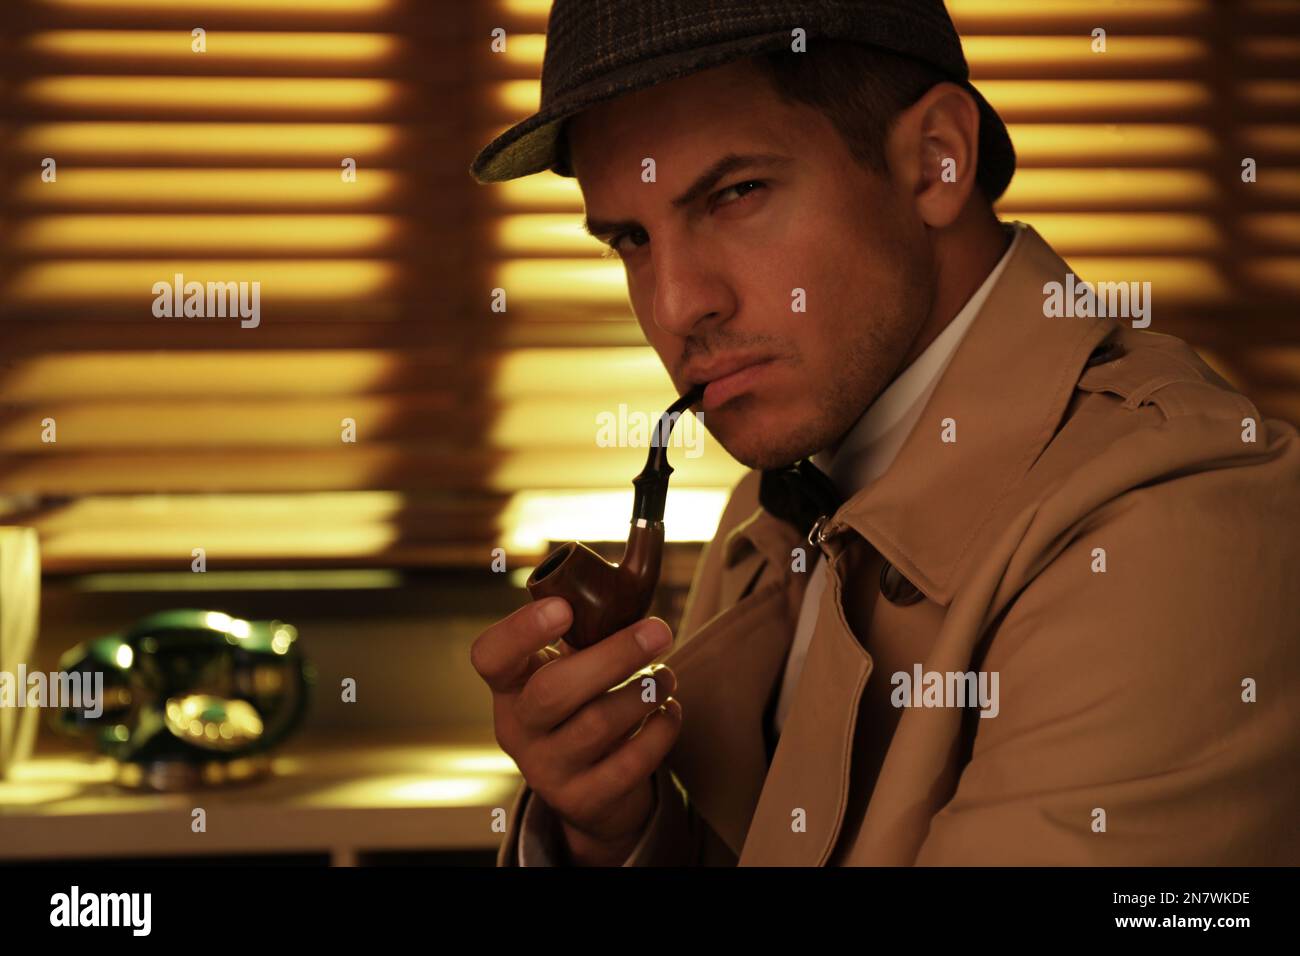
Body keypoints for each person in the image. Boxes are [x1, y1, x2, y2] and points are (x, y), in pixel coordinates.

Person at [467, 0, 1300, 866]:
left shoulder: (1172, 528)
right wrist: (617, 834)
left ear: (937, 160)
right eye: (631, 237)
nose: (677, 306)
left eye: (736, 194)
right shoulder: (775, 502)